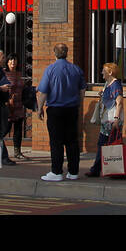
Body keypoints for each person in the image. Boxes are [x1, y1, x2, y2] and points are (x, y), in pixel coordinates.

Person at [35, 42, 86, 181]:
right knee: (72, 141)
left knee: (56, 142)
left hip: (56, 109)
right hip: (72, 109)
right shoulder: (76, 69)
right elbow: (82, 90)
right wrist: (79, 105)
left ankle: (56, 172)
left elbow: (44, 92)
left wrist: (39, 108)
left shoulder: (50, 70)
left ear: (54, 53)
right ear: (67, 53)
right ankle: (73, 172)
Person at [84, 62, 125, 177]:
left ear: (110, 72)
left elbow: (119, 102)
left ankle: (100, 170)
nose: (102, 72)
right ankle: (112, 170)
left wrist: (116, 119)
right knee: (107, 144)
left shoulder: (115, 85)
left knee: (106, 144)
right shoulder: (108, 84)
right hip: (107, 119)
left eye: (104, 70)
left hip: (112, 119)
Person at [4, 54, 28, 161]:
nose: (13, 62)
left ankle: (17, 151)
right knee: (5, 129)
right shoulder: (4, 74)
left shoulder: (19, 74)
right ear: (7, 62)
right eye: (11, 60)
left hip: (19, 104)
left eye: (15, 60)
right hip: (9, 105)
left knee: (18, 130)